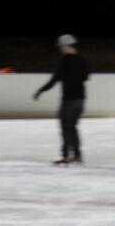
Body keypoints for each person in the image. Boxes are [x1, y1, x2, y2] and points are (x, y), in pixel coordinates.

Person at [33, 34, 91, 165]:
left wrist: (41, 90)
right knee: (73, 127)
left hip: (69, 100)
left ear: (66, 45)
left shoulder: (64, 61)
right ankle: (77, 156)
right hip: (81, 99)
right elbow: (86, 77)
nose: (60, 48)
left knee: (66, 128)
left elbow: (54, 80)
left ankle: (66, 156)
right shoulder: (82, 60)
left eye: (61, 46)